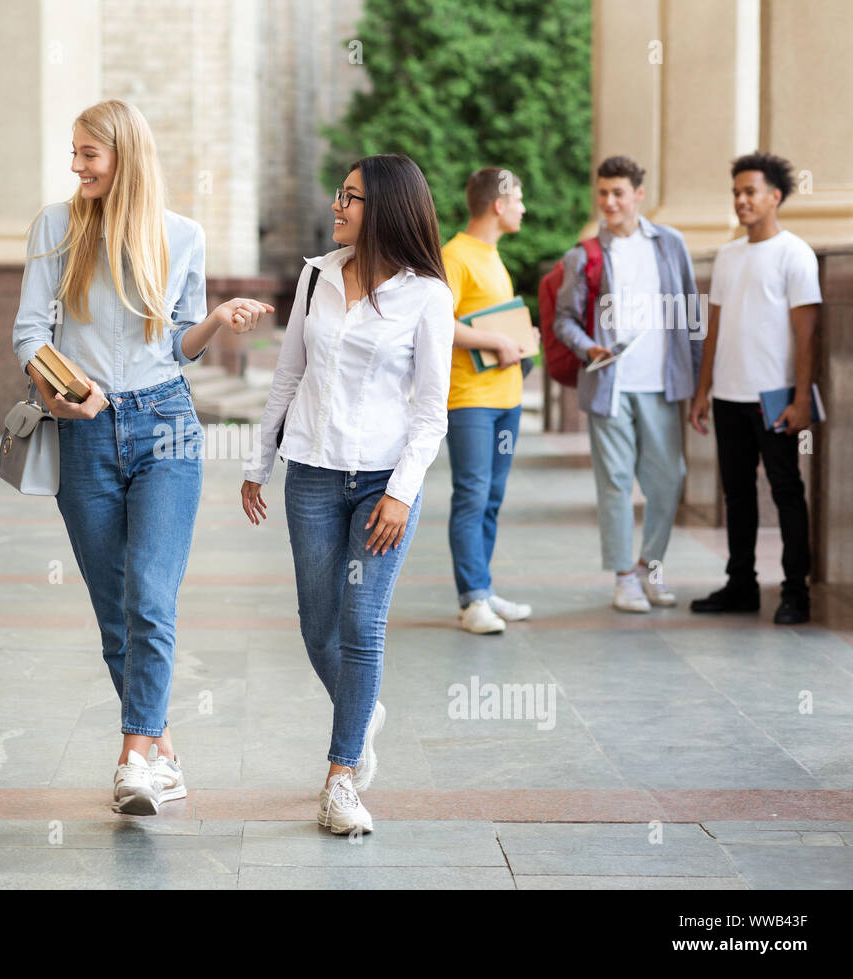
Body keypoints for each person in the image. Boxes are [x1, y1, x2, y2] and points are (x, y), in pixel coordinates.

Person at [12, 99, 273, 815]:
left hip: (167, 425)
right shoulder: (56, 227)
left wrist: (215, 322)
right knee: (116, 611)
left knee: (152, 597)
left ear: (123, 154)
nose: (75, 165)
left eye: (88, 153)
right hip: (84, 429)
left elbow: (178, 341)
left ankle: (132, 753)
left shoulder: (182, 236)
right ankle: (161, 749)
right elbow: (30, 334)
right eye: (73, 152)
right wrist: (63, 391)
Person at [242, 154, 452, 835]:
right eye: (339, 194)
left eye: (353, 198)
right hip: (312, 472)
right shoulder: (316, 278)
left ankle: (340, 776)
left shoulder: (427, 296)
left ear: (387, 208)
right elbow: (286, 375)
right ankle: (363, 710)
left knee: (362, 625)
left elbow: (430, 411)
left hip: (384, 484)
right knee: (316, 625)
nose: (338, 205)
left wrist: (400, 492)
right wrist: (258, 461)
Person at [553, 156, 703, 612]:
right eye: (602, 193)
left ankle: (649, 566)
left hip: (661, 384)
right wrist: (588, 348)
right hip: (609, 387)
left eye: (618, 193)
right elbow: (563, 320)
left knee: (669, 479)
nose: (609, 202)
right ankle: (623, 577)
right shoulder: (585, 256)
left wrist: (698, 384)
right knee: (615, 482)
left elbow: (691, 313)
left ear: (639, 194)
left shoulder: (669, 245)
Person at [689, 151, 821, 625]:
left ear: (775, 197)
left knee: (787, 491)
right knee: (738, 494)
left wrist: (800, 399)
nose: (741, 200)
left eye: (750, 192)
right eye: (736, 192)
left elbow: (807, 333)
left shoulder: (796, 254)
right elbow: (714, 329)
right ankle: (741, 584)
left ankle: (795, 592)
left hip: (776, 397)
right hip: (728, 395)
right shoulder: (727, 255)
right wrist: (702, 391)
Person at [442, 166, 533, 634]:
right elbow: (438, 320)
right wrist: (497, 342)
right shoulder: (455, 256)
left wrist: (517, 341)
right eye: (517, 199)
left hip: (506, 396)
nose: (523, 207)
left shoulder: (493, 256)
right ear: (498, 205)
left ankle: (482, 590)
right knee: (472, 495)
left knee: (492, 498)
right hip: (470, 399)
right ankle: (472, 598)